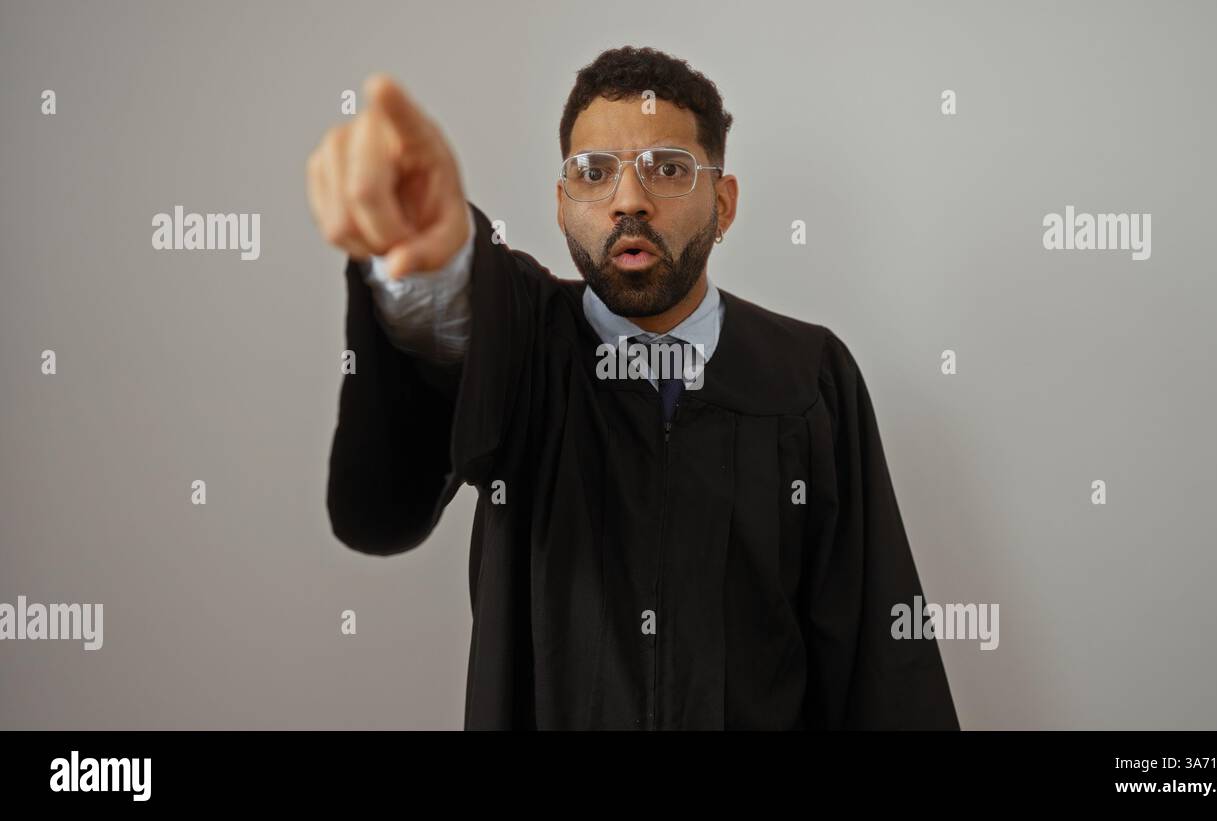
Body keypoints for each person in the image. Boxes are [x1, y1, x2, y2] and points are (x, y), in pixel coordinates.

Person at [306, 46, 959, 730]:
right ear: (562, 206)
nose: (629, 200)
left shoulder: (806, 376)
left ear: (724, 202)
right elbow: (451, 319)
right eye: (595, 173)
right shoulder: (526, 344)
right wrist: (426, 258)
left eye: (668, 169)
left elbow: (876, 660)